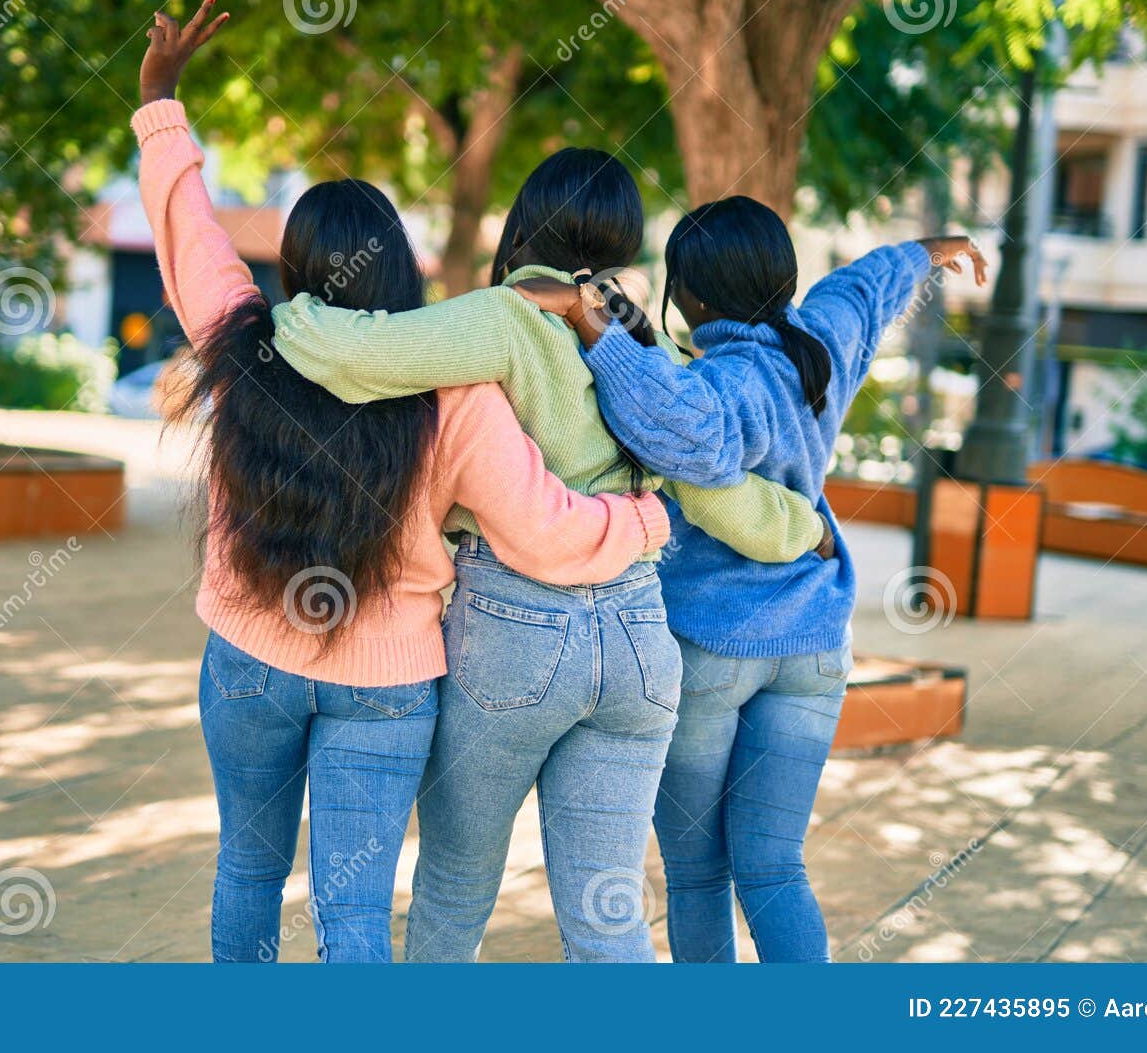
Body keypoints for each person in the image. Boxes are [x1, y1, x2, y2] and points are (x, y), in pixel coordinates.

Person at [136, 0, 676, 963]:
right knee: (354, 919)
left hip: (249, 659)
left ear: (294, 266)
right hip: (387, 685)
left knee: (247, 874)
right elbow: (546, 533)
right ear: (404, 278)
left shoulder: (246, 338)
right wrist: (644, 519)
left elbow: (188, 233)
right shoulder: (456, 393)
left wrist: (163, 104)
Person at [267, 152, 831, 961]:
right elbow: (715, 490)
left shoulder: (507, 315)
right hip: (640, 642)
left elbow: (363, 358)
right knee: (608, 919)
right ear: (623, 241)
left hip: (517, 631)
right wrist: (802, 524)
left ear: (523, 221)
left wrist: (289, 316)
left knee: (457, 888)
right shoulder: (631, 338)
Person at [514, 194, 986, 962]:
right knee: (774, 867)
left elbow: (691, 437)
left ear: (691, 297)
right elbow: (861, 289)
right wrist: (929, 250)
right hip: (814, 648)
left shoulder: (726, 382)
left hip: (712, 645)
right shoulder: (819, 347)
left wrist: (585, 317)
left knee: (698, 874)